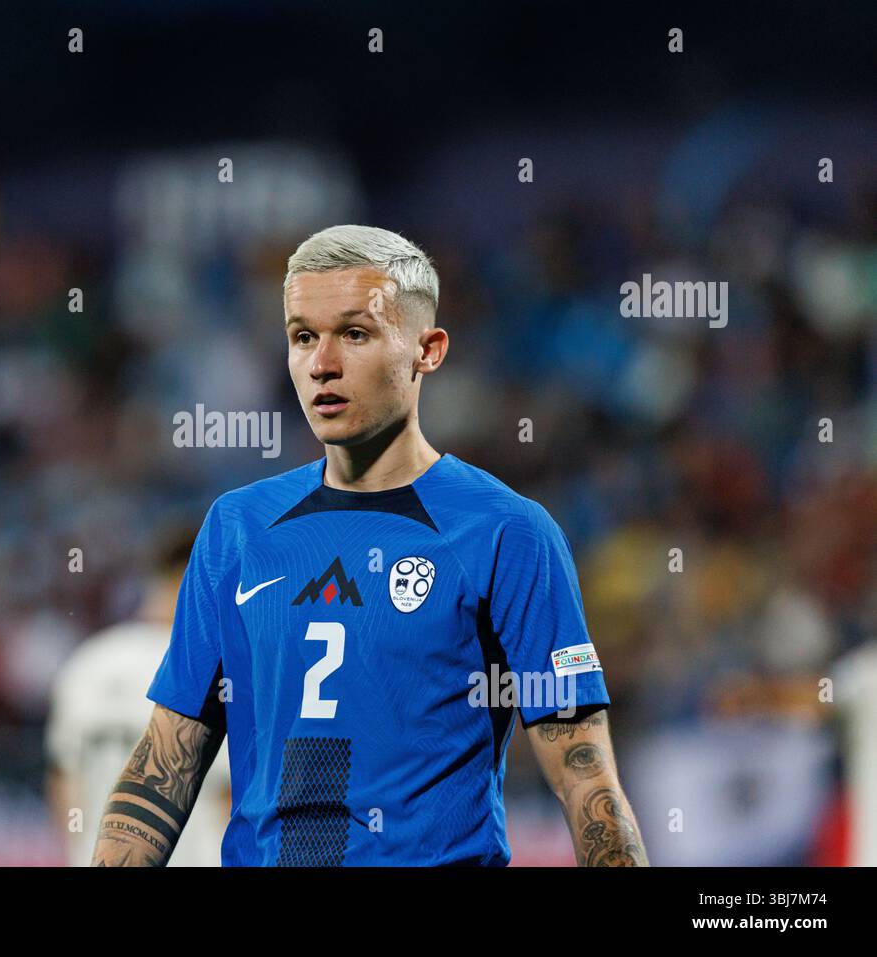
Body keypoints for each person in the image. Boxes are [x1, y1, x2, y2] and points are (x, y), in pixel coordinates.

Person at [91, 224, 647, 866]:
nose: (322, 364)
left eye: (354, 334)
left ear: (428, 350)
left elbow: (586, 780)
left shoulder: (507, 532)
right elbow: (164, 767)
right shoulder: (235, 529)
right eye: (303, 337)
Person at [46, 528, 231, 866]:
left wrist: (78, 850)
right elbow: (226, 795)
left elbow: (63, 778)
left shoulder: (89, 661)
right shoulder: (212, 670)